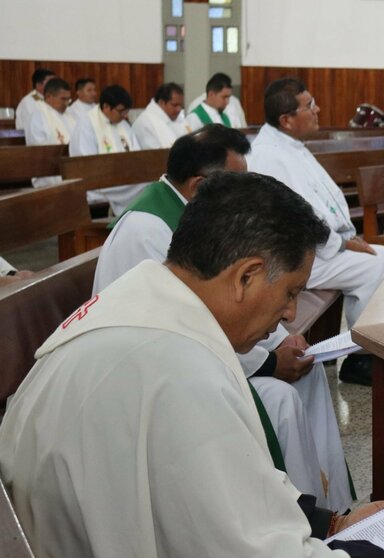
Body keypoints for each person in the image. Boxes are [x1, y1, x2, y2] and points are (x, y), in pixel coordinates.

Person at [0, 171, 384, 558]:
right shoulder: (179, 370)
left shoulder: (136, 308)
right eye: (290, 291)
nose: (290, 314)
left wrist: (334, 525)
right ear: (246, 276)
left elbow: (215, 503)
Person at [93, 125, 354, 511]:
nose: (243, 193)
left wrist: (281, 340)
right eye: (236, 181)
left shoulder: (193, 216)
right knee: (281, 399)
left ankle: (333, 505)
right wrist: (269, 361)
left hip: (202, 356)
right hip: (160, 378)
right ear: (200, 185)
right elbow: (184, 325)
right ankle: (301, 518)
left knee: (307, 368)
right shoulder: (148, 229)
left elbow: (229, 299)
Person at [247, 78, 384, 384]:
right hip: (299, 254)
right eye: (309, 105)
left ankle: (374, 347)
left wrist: (345, 238)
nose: (317, 109)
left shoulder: (290, 145)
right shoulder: (269, 155)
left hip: (323, 246)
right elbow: (298, 215)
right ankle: (360, 359)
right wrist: (341, 243)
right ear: (286, 120)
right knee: (376, 270)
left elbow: (321, 201)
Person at [69, 84, 144, 215]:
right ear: (106, 107)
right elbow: (85, 164)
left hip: (123, 180)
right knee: (145, 186)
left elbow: (137, 154)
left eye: (126, 111)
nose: (124, 116)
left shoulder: (123, 125)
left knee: (149, 183)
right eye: (121, 111)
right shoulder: (86, 125)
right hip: (99, 183)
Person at [26, 77, 76, 188]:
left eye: (68, 99)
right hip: (48, 172)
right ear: (48, 96)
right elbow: (40, 149)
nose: (66, 103)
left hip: (69, 167)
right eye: (63, 99)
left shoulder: (69, 116)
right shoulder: (38, 115)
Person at [133, 82, 190, 149]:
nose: (179, 109)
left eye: (181, 105)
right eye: (175, 105)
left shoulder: (180, 118)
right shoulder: (144, 122)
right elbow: (153, 153)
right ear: (161, 103)